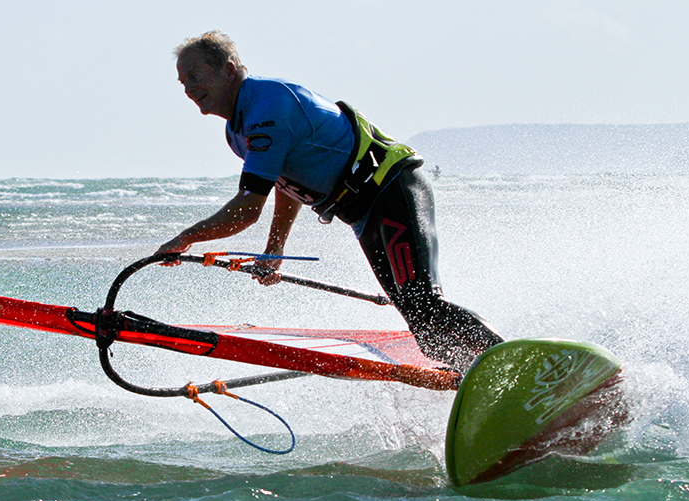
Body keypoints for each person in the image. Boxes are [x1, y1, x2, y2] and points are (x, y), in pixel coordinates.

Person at [157, 31, 502, 373]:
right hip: (363, 215)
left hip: (391, 188)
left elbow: (247, 210)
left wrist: (185, 238)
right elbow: (284, 183)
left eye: (195, 76)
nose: (188, 88)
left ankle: (512, 363)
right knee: (424, 330)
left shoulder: (267, 107)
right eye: (182, 82)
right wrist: (274, 249)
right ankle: (480, 380)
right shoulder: (237, 129)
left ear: (228, 70)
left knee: (425, 305)